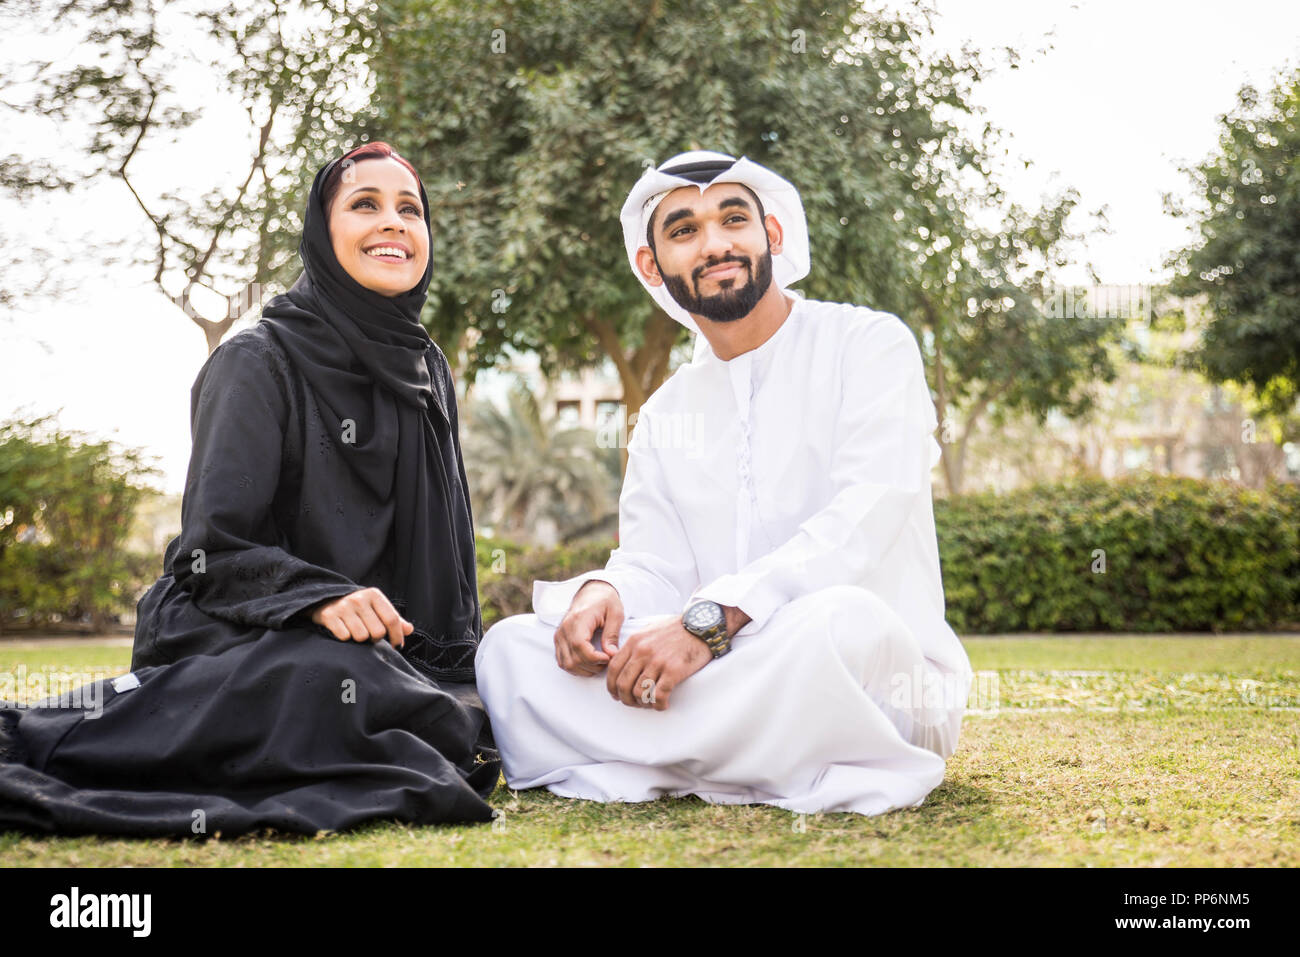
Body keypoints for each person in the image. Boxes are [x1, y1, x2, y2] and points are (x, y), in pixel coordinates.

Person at [0, 142, 500, 836]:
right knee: (329, 678)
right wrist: (318, 597)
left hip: (377, 650)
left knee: (480, 691)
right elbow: (213, 549)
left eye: (410, 210)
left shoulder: (425, 369)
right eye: (365, 205)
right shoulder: (256, 359)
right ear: (322, 235)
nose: (394, 223)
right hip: (240, 625)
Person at [475, 151, 973, 816]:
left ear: (772, 234)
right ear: (653, 266)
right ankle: (751, 758)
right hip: (734, 668)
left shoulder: (869, 344)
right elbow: (656, 565)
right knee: (512, 649)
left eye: (732, 219)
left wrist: (711, 625)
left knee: (841, 620)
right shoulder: (663, 415)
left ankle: (658, 752)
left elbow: (867, 515)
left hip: (865, 674)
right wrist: (606, 591)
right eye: (683, 230)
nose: (715, 244)